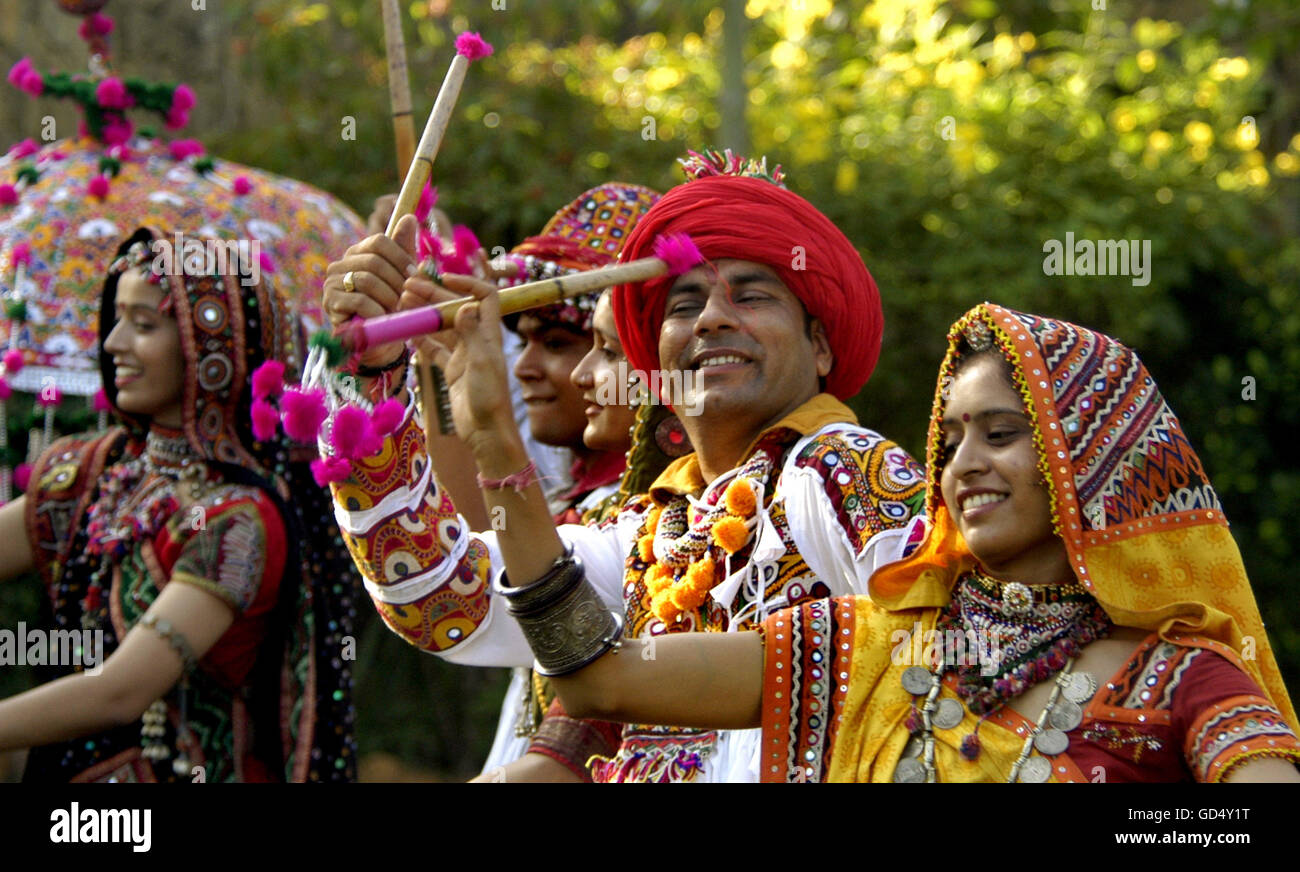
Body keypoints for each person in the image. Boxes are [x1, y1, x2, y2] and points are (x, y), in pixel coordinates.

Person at [500, 302, 1300, 782]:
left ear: (1093, 458)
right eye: (949, 439)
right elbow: (599, 681)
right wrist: (493, 442)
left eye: (1001, 435)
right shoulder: (866, 645)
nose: (963, 466)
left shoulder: (1182, 676)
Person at [320, 150, 926, 781]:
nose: (715, 316)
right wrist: (373, 377)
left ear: (821, 345)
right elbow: (443, 600)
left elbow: (953, 643)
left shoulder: (839, 467)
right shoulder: (648, 533)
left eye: (750, 295)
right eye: (685, 305)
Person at [0, 227, 359, 782]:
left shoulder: (238, 520)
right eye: (116, 318)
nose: (114, 342)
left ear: (211, 350)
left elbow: (122, 691)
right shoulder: (94, 470)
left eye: (143, 325)